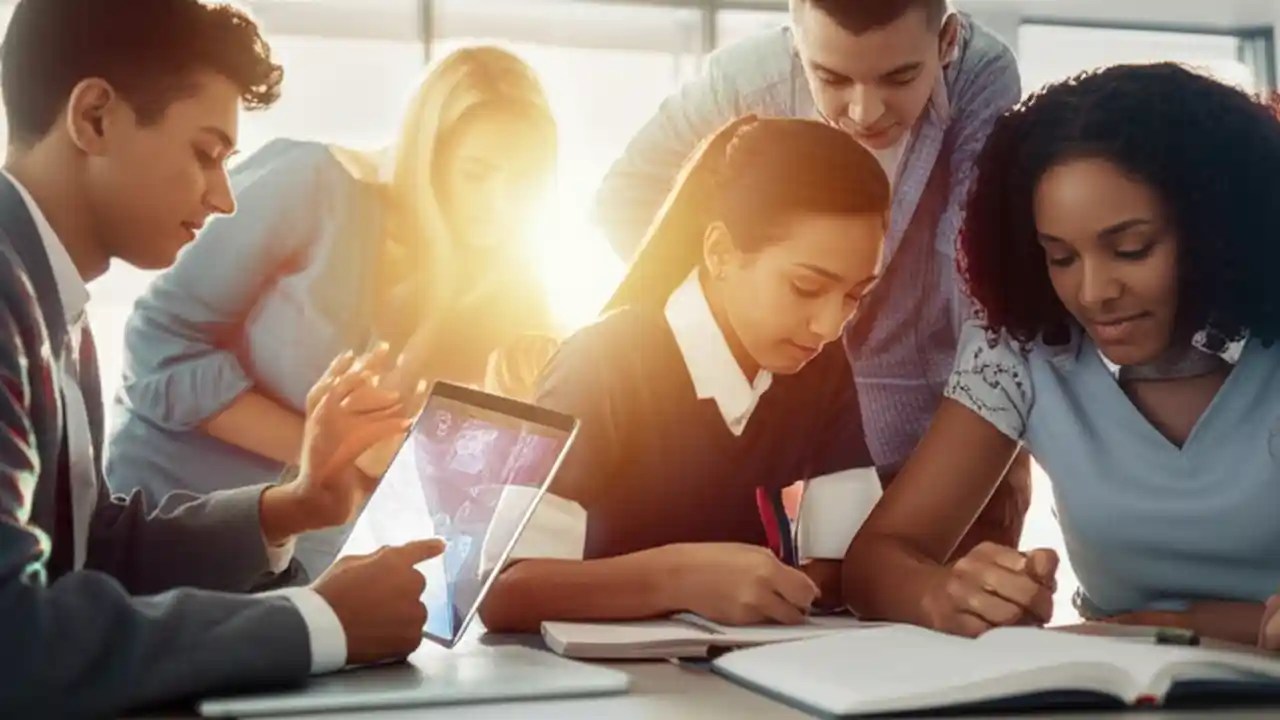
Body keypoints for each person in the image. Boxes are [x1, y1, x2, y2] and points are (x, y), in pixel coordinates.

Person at [0, 0, 450, 716]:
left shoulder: (54, 302)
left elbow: (90, 548)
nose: (224, 198)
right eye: (205, 154)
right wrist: (317, 622)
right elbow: (11, 641)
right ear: (93, 118)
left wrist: (290, 507)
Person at [481, 115, 982, 633]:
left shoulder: (818, 369)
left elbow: (847, 564)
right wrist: (678, 578)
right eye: (807, 288)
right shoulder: (598, 365)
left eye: (856, 295)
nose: (831, 325)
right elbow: (502, 589)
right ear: (720, 252)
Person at [842, 63, 1280, 646]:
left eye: (1131, 249)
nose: (1094, 292)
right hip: (1119, 688)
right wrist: (942, 593)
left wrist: (1178, 624)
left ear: (1217, 231)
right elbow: (877, 562)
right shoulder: (1021, 353)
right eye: (1061, 257)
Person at [104, 45, 560, 577]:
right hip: (167, 517)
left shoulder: (501, 283)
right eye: (477, 173)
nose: (501, 204)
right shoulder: (312, 183)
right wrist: (336, 452)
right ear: (427, 159)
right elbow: (156, 347)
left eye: (522, 180)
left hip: (307, 562)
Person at [595, 0, 1028, 551]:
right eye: (831, 77)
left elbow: (979, 279)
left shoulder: (981, 77)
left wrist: (956, 474)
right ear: (798, 44)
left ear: (945, 42)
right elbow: (627, 197)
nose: (865, 110)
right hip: (795, 451)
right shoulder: (749, 79)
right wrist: (733, 311)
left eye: (899, 77)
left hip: (945, 441)